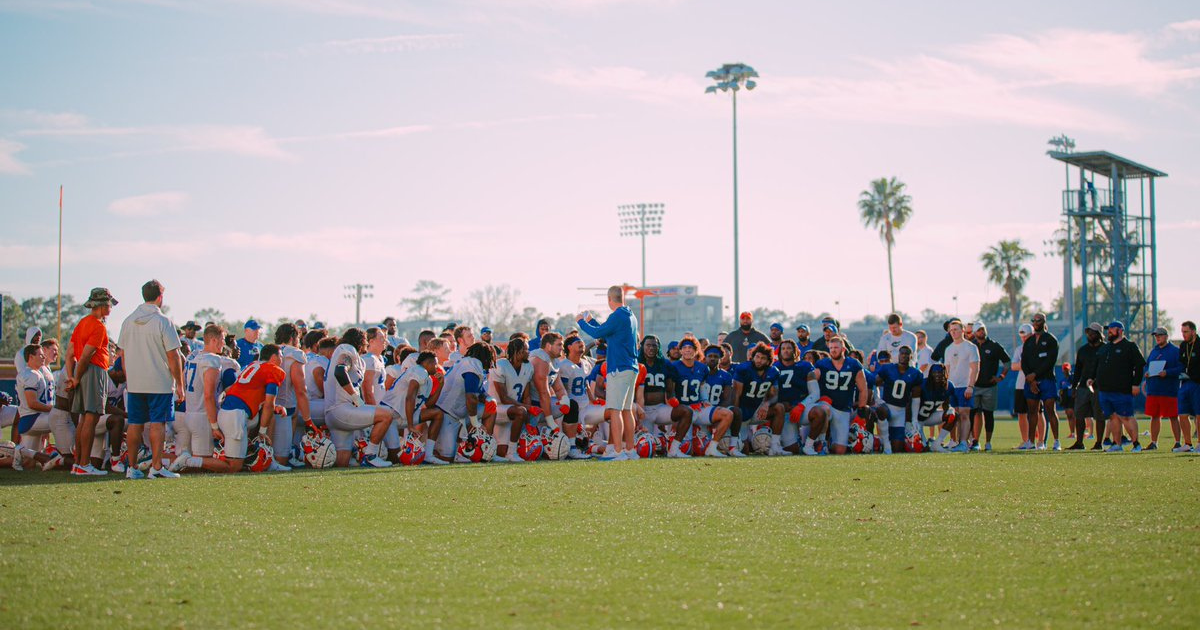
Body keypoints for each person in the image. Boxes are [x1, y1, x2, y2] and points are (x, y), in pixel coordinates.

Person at [116, 280, 186, 479]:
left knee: (135, 424)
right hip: (159, 381)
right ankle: (156, 467)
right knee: (157, 424)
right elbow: (173, 356)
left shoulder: (128, 321)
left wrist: (130, 377)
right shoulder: (164, 322)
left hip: (135, 383)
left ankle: (132, 468)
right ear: (160, 297)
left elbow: (122, 355)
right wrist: (180, 384)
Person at [577, 286, 639, 461]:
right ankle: (630, 450)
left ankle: (617, 451)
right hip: (630, 367)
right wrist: (592, 320)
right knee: (626, 410)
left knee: (615, 410)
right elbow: (607, 332)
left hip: (618, 368)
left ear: (609, 299)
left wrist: (581, 322)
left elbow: (597, 333)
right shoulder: (630, 315)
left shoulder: (617, 316)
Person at [323, 328, 395, 468]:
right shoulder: (347, 349)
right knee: (386, 415)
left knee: (342, 463)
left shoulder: (357, 358)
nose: (367, 343)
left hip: (336, 412)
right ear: (360, 341)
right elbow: (340, 371)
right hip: (342, 409)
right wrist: (355, 397)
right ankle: (370, 456)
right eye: (365, 340)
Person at [66, 287, 118, 476]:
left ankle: (78, 464)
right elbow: (86, 355)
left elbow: (69, 354)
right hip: (93, 371)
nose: (111, 308)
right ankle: (84, 464)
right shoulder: (98, 326)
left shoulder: (82, 323)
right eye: (109, 304)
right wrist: (76, 378)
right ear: (102, 305)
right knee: (91, 418)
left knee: (83, 419)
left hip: (82, 371)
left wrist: (72, 376)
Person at [171, 324, 233, 473]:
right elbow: (208, 395)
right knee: (201, 465)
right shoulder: (212, 360)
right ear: (213, 340)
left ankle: (155, 462)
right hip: (202, 416)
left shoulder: (193, 355)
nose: (224, 343)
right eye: (222, 339)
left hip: (189, 412)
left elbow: (184, 382)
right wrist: (214, 426)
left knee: (187, 463)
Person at [218, 344, 289, 471]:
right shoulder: (273, 370)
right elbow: (269, 404)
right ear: (274, 357)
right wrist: (262, 431)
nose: (282, 359)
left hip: (230, 412)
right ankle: (190, 461)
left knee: (266, 415)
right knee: (234, 467)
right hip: (236, 416)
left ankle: (268, 461)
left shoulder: (253, 365)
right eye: (281, 356)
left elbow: (249, 394)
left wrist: (275, 406)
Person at [809, 337, 869, 455]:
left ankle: (829, 443)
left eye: (836, 347)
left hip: (843, 408)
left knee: (840, 450)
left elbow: (863, 388)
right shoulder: (822, 364)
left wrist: (861, 408)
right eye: (831, 348)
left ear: (843, 349)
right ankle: (821, 441)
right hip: (826, 404)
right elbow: (810, 380)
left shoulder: (853, 364)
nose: (833, 350)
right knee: (824, 409)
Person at [1093, 321, 1145, 453]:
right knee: (1113, 417)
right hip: (1105, 390)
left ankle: (1136, 444)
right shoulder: (1106, 347)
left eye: (1112, 329)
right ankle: (1117, 444)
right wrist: (1091, 378)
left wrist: (1136, 384)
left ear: (1120, 330)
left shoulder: (1130, 346)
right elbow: (1098, 365)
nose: (1109, 331)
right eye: (1108, 329)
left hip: (1122, 390)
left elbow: (1139, 366)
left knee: (1126, 416)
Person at [732, 342, 785, 456]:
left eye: (763, 358)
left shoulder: (773, 372)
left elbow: (774, 395)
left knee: (779, 408)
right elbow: (736, 395)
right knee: (744, 451)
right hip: (743, 412)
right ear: (753, 357)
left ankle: (775, 445)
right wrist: (736, 417)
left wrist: (766, 403)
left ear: (768, 361)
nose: (759, 360)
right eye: (757, 357)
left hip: (758, 411)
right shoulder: (744, 369)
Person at [273, 323, 312, 467]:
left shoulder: (269, 350)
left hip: (266, 407)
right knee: (281, 461)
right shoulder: (295, 353)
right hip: (283, 410)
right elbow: (301, 390)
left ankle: (289, 452)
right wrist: (308, 420)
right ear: (292, 338)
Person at [1021, 313, 1060, 451]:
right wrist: (1030, 379)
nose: (1036, 322)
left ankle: (1056, 441)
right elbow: (1024, 361)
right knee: (1032, 411)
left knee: (1050, 410)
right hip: (1031, 381)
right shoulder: (1029, 341)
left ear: (1044, 322)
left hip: (1047, 379)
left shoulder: (1051, 340)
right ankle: (1031, 441)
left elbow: (1050, 361)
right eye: (1034, 320)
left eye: (1038, 320)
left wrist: (1035, 374)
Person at [771, 339, 818, 454]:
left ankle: (809, 445)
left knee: (820, 412)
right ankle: (797, 442)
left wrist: (801, 405)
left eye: (789, 348)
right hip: (784, 412)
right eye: (783, 349)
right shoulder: (774, 368)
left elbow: (815, 393)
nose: (786, 351)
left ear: (795, 351)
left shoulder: (805, 366)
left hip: (801, 408)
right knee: (793, 450)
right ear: (779, 352)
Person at [489, 338, 533, 461]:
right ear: (518, 351)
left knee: (501, 453)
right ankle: (512, 452)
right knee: (521, 411)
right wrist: (527, 408)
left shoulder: (528, 367)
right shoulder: (500, 365)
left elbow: (526, 396)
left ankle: (509, 452)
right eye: (526, 350)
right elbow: (503, 398)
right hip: (495, 409)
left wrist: (528, 421)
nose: (528, 352)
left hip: (510, 412)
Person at [874, 345, 923, 454]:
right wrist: (877, 399)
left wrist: (914, 419)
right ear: (898, 355)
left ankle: (884, 443)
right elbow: (875, 383)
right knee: (881, 410)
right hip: (887, 407)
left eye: (906, 354)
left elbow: (916, 397)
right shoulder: (888, 368)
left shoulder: (916, 373)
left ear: (911, 357)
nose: (904, 356)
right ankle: (885, 443)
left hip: (901, 411)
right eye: (902, 353)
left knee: (897, 449)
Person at [970, 323, 1009, 451]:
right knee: (972, 414)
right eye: (979, 330)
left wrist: (1001, 376)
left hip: (989, 386)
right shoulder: (971, 346)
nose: (981, 332)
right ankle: (974, 441)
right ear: (974, 333)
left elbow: (1007, 361)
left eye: (983, 329)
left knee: (988, 414)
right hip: (974, 386)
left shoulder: (994, 346)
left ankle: (988, 442)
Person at [1067, 323, 1105, 450]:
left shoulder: (1105, 349)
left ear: (1099, 334)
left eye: (1093, 333)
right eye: (1089, 333)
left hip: (1099, 387)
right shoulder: (1083, 350)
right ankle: (1079, 442)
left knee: (1099, 415)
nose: (1090, 335)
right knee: (1079, 414)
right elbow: (1078, 369)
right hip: (1083, 386)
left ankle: (1099, 443)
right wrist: (1074, 386)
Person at [942, 320, 979, 452]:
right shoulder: (948, 349)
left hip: (964, 386)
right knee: (955, 415)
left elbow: (975, 368)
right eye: (951, 330)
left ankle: (963, 442)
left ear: (962, 330)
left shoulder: (970, 347)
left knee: (964, 414)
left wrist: (970, 386)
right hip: (952, 387)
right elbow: (946, 370)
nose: (953, 332)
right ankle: (958, 441)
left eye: (956, 329)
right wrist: (945, 386)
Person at [1144, 326, 1183, 451]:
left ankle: (1178, 442)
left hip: (1169, 389)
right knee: (1154, 416)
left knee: (1173, 416)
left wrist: (1167, 372)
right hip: (1154, 389)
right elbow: (1147, 366)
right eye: (1156, 336)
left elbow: (1181, 368)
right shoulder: (1154, 351)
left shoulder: (1175, 351)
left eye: (1160, 335)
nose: (1157, 337)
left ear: (1166, 336)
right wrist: (1147, 372)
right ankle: (1153, 443)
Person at [1179, 321, 1200, 451]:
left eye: (1186, 332)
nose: (1183, 334)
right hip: (1185, 383)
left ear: (1193, 331)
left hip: (1198, 383)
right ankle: (1187, 444)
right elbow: (1181, 363)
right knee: (1182, 414)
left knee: (1199, 414)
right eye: (1182, 332)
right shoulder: (1183, 345)